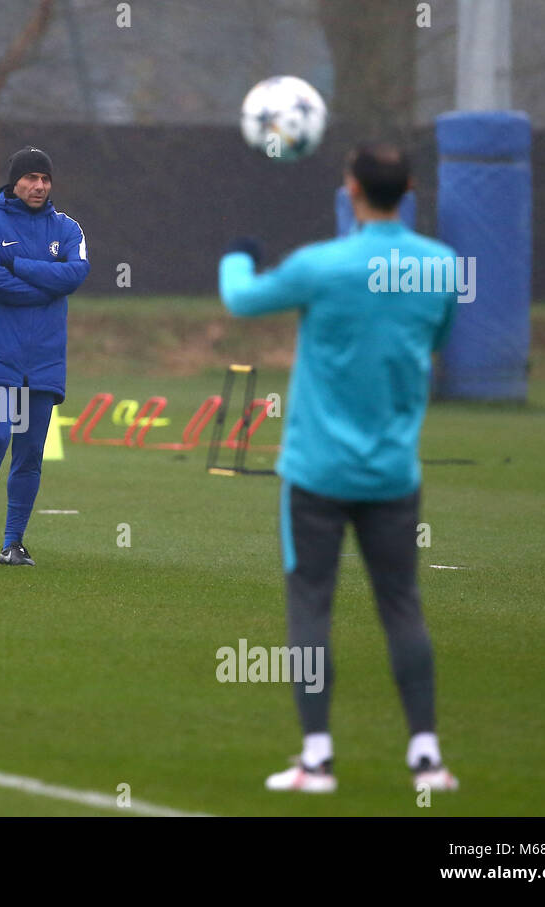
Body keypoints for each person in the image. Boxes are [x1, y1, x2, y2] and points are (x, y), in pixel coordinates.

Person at [219, 143, 459, 793]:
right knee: (402, 605)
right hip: (392, 473)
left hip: (317, 472)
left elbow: (241, 300)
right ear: (409, 188)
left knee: (312, 609)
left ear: (350, 187)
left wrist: (238, 251)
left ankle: (317, 758)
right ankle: (427, 757)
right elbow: (435, 343)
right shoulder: (440, 268)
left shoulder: (321, 265)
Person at [0, 147, 89, 566]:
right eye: (31, 178)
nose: (38, 186)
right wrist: (45, 287)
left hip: (44, 359)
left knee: (31, 451)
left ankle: (14, 542)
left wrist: (19, 264)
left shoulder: (68, 227)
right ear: (13, 182)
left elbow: (76, 273)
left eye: (45, 179)